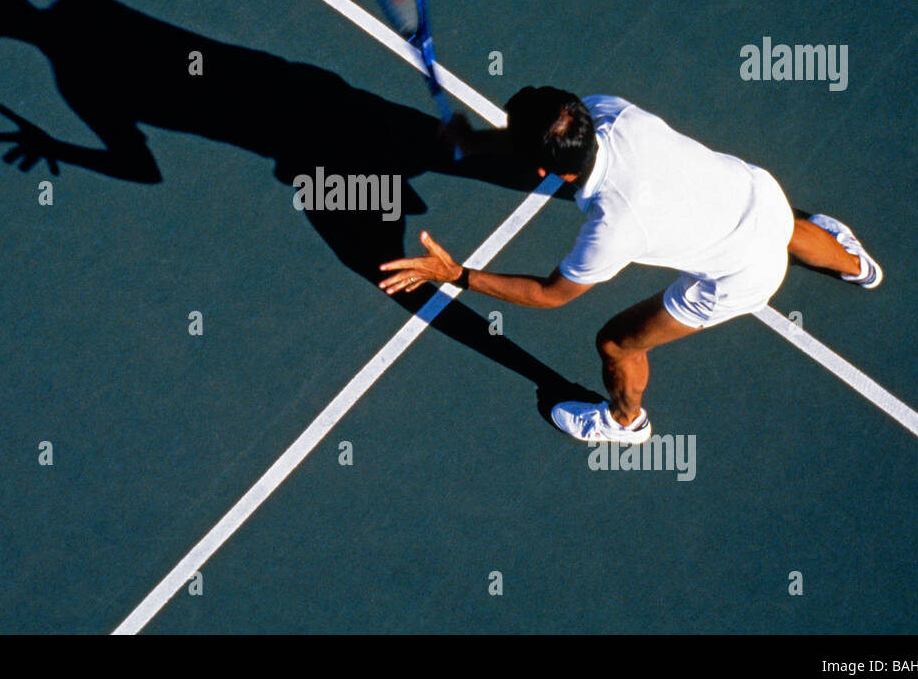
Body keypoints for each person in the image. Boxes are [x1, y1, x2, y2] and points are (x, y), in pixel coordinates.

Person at [378, 88, 882, 443]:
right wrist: (473, 142)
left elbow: (550, 295)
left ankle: (624, 423)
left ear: (545, 171)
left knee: (616, 342)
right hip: (759, 193)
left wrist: (457, 275)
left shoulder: (613, 227)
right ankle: (855, 264)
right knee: (782, 224)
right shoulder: (605, 111)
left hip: (742, 276)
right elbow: (534, 145)